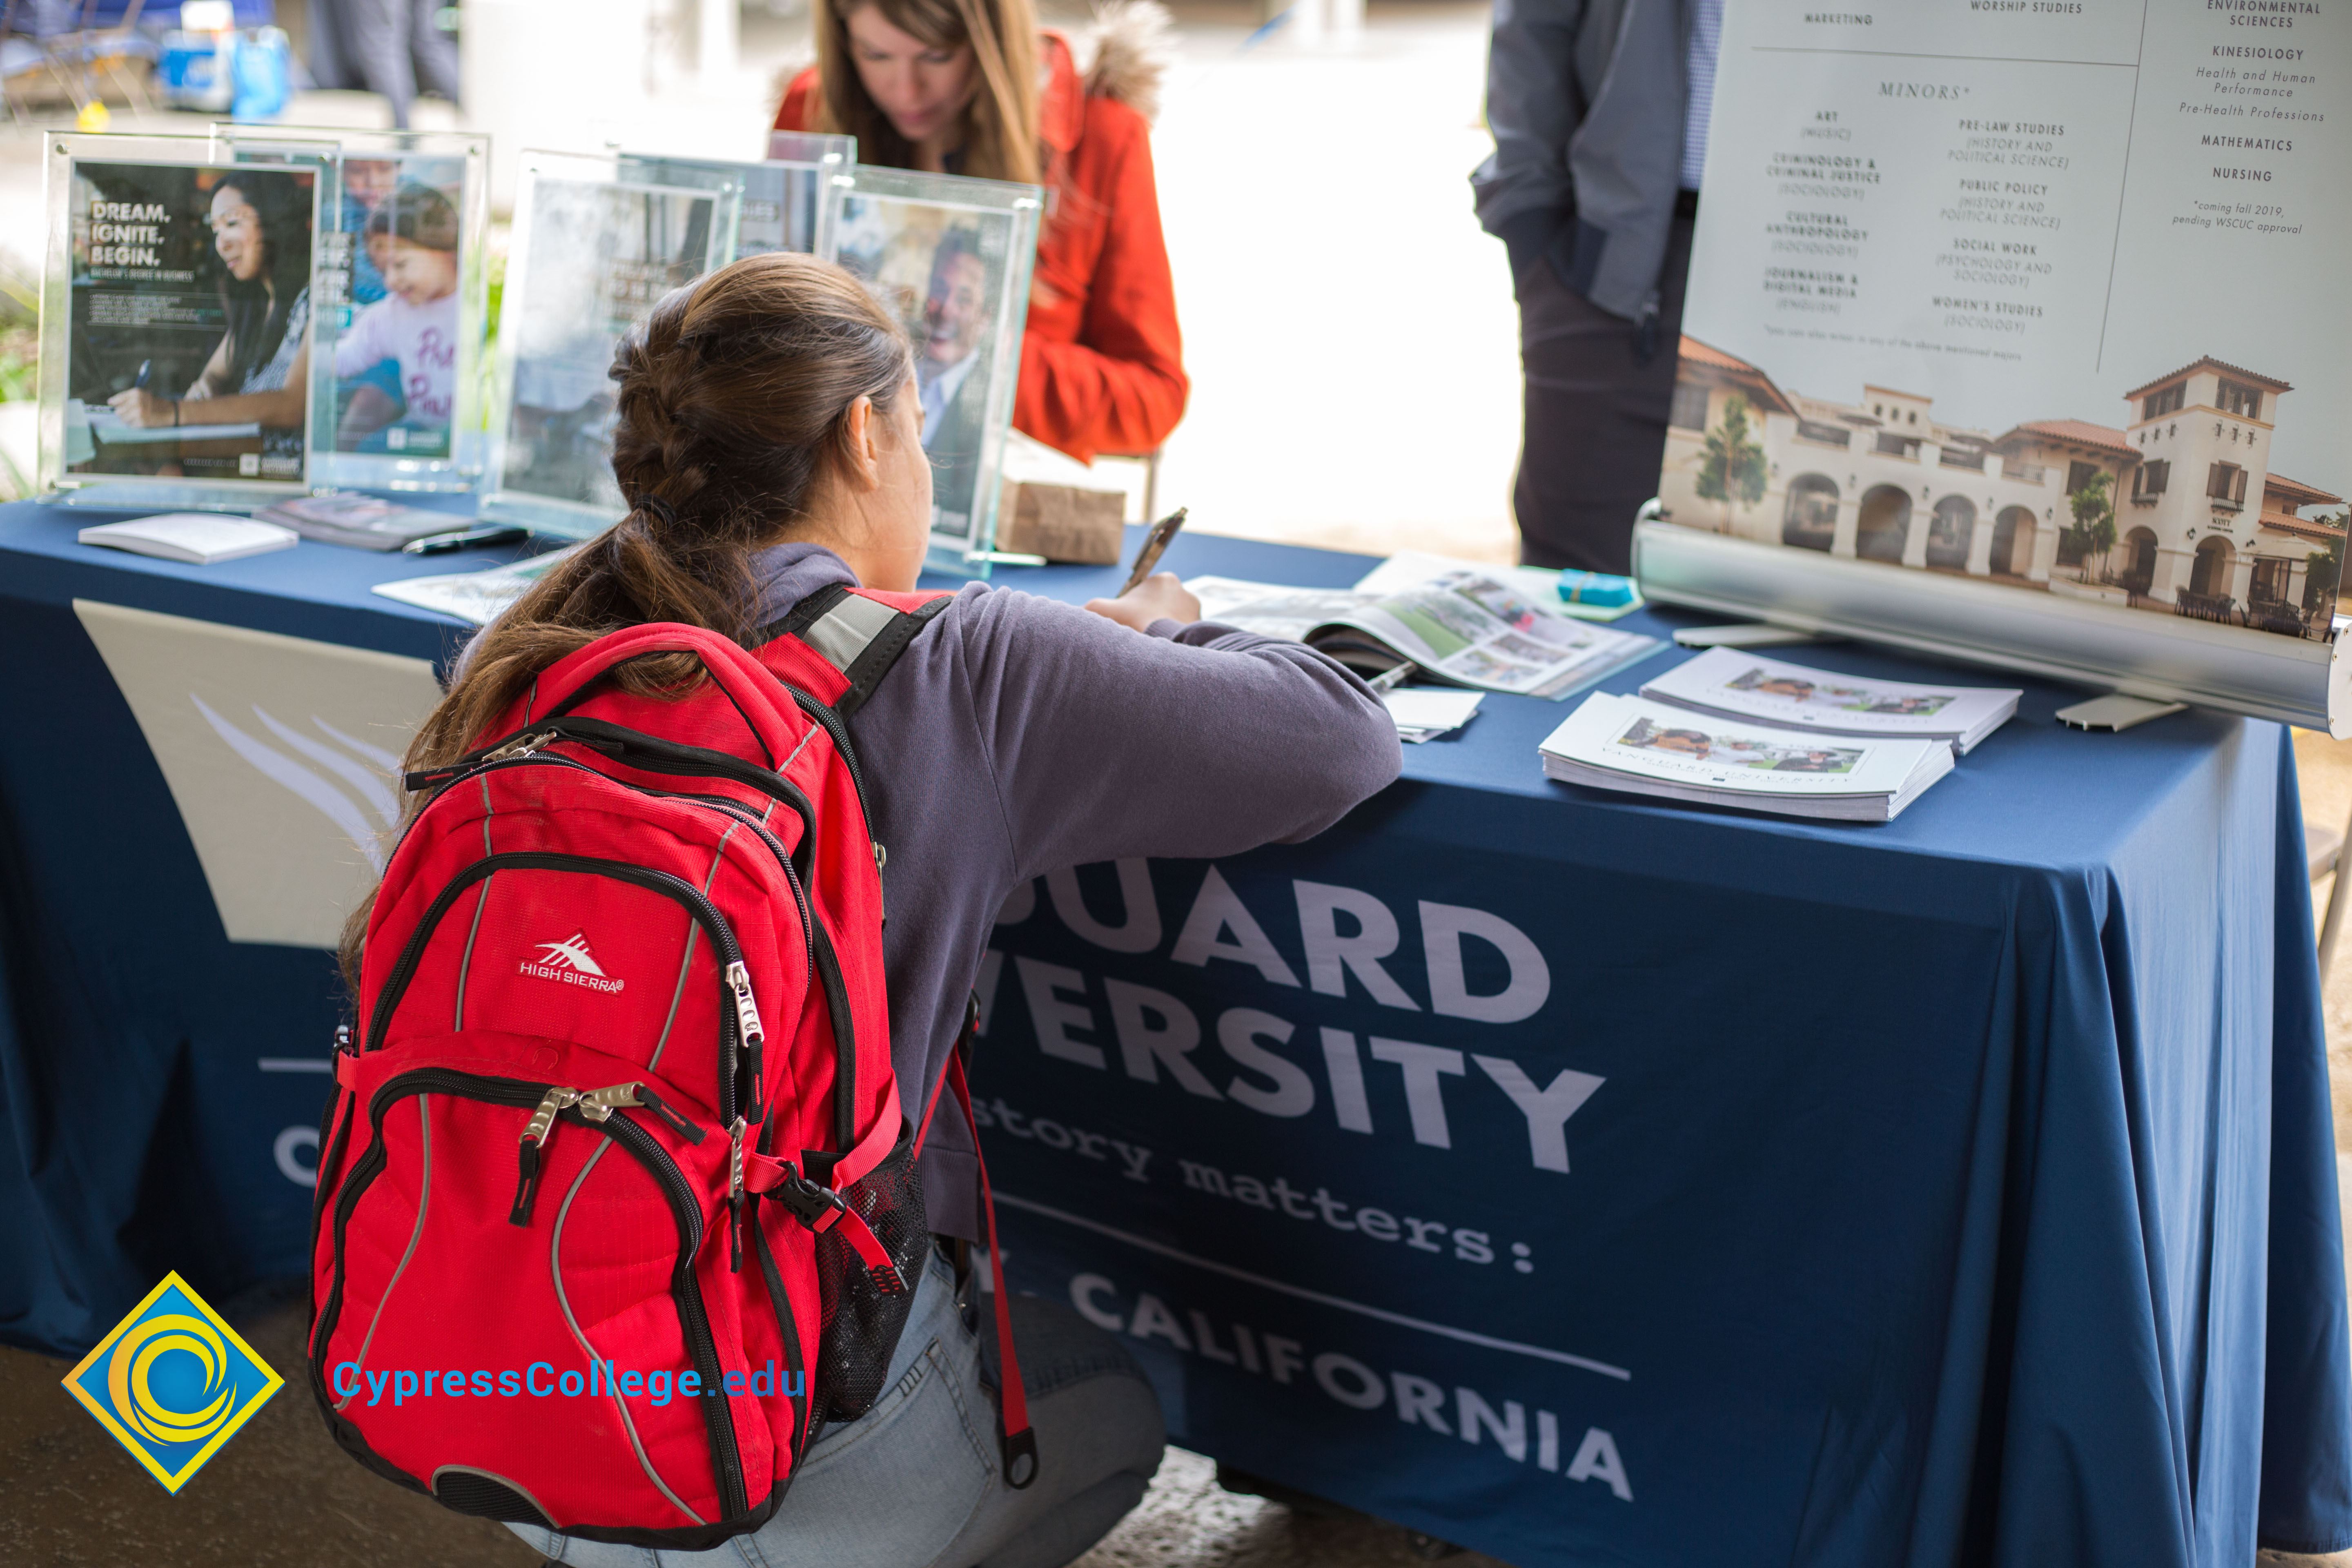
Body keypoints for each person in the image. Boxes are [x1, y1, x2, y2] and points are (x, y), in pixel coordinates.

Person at [350, 250, 1401, 1568]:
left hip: (508, 1394)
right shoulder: (967, 664)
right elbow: (1341, 740)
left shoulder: (542, 643)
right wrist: (1156, 632)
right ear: (864, 432)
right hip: (800, 1419)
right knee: (1115, 1415)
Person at [775, 0, 1187, 465]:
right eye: (876, 55)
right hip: (827, 479)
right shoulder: (810, 110)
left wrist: (985, 358)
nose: (907, 90)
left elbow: (1154, 400)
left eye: (936, 56)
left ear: (993, 43)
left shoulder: (1102, 136)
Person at [1473, 0, 1724, 574]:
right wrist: (1533, 224)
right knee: (1578, 586)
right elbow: (1533, 27)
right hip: (1623, 260)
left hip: (1857, 259)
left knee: (1834, 599)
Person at [107, 172, 311, 432]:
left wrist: (172, 412)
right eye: (216, 231)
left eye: (232, 223)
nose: (221, 245)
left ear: (276, 220)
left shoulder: (316, 300)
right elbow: (214, 373)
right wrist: (207, 386)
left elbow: (292, 406)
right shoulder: (257, 308)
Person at [333, 181, 461, 445]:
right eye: (383, 271)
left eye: (400, 264)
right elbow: (344, 359)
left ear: (446, 249)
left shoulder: (475, 306)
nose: (390, 282)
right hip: (420, 435)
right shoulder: (394, 312)